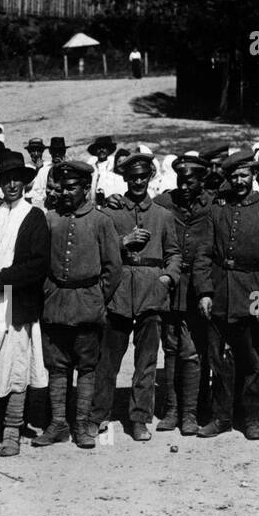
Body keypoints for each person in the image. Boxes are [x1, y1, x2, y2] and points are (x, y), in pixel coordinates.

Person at [90, 152, 181, 442]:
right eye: (133, 177)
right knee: (107, 361)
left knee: (146, 363)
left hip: (151, 293)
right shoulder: (111, 213)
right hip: (118, 294)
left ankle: (140, 419)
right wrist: (122, 242)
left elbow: (174, 254)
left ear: (151, 177)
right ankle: (99, 415)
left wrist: (167, 278)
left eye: (143, 176)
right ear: (125, 179)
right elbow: (99, 250)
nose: (139, 182)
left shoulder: (163, 215)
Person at [33, 161, 122, 449]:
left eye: (72, 188)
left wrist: (96, 298)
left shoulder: (101, 221)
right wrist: (47, 293)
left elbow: (112, 268)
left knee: (86, 366)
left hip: (87, 306)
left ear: (86, 189)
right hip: (55, 305)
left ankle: (81, 425)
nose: (66, 193)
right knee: (57, 366)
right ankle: (58, 423)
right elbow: (41, 263)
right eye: (62, 188)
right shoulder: (51, 219)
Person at [0, 151, 50, 456]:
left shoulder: (34, 216)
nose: (12, 184)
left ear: (25, 182)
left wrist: (0, 279)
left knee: (16, 365)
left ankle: (12, 431)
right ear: (0, 184)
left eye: (17, 178)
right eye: (6, 180)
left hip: (17, 299)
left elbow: (38, 264)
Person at [192, 150, 259, 440]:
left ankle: (252, 418)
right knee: (219, 359)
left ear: (252, 176)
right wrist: (204, 291)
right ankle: (221, 417)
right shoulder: (218, 209)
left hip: (251, 291)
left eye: (244, 175)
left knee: (252, 358)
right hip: (219, 292)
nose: (239, 181)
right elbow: (203, 254)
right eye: (234, 176)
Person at [152, 157, 212, 434]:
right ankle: (172, 410)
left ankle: (190, 412)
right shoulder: (165, 203)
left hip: (197, 285)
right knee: (171, 347)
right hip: (171, 283)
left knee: (191, 350)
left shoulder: (212, 205)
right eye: (181, 181)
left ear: (202, 181)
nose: (185, 187)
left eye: (191, 182)